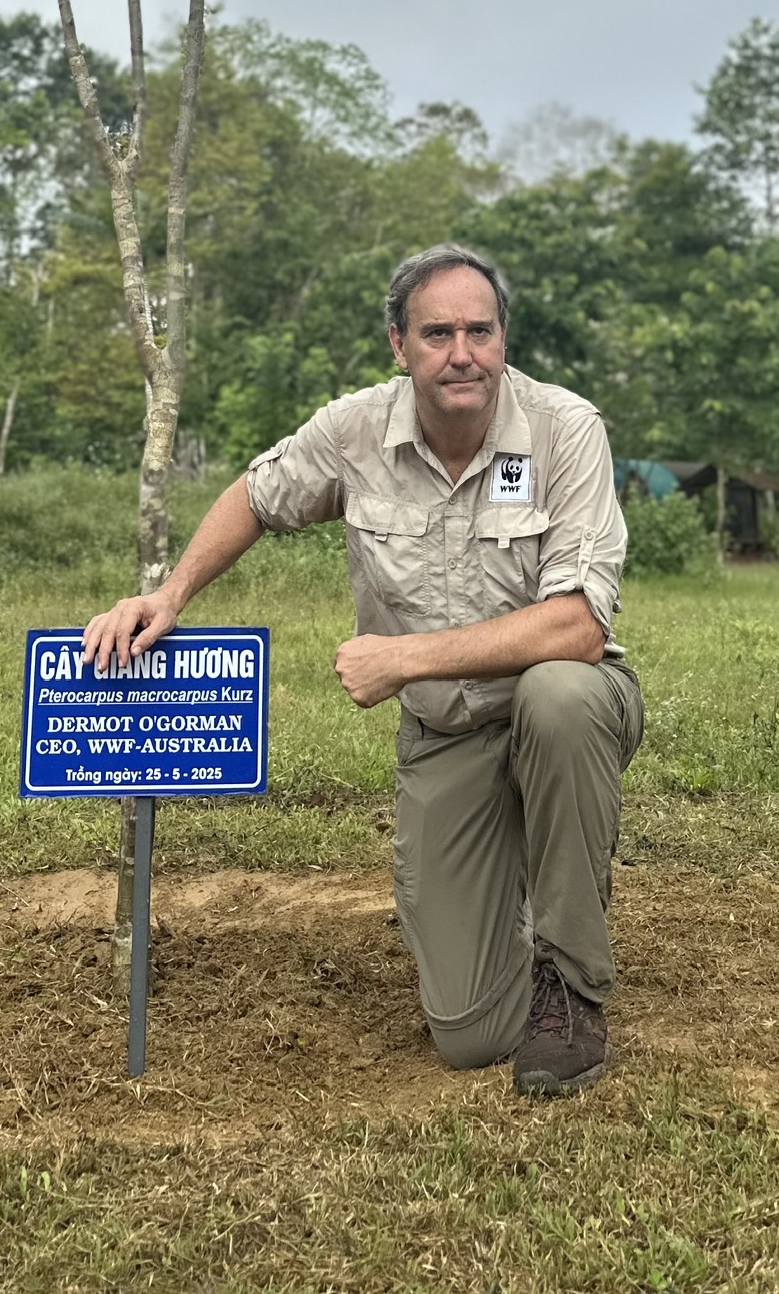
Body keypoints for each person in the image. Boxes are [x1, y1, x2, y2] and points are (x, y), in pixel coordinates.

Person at [82, 242, 642, 1096]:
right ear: (399, 345)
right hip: (448, 734)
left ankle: (570, 984)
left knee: (556, 696)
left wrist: (404, 657)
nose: (463, 353)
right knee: (468, 1034)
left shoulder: (565, 430)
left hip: (565, 704)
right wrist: (171, 596)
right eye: (438, 332)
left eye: (481, 331)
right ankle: (520, 899)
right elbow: (258, 494)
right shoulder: (354, 432)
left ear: (504, 337)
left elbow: (574, 627)